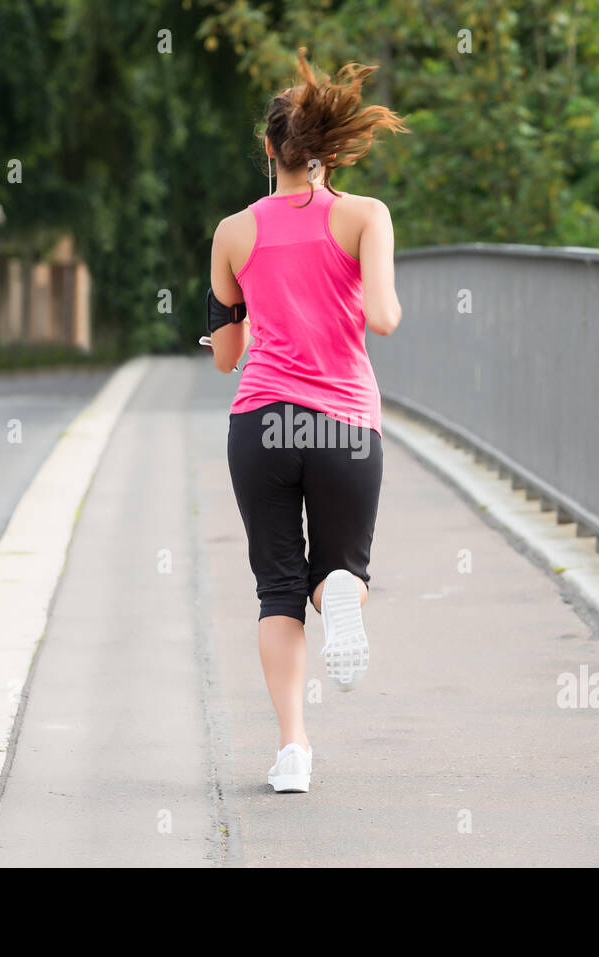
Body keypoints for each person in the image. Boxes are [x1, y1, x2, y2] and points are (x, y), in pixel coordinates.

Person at [207, 49, 408, 793]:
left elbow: (227, 354)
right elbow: (383, 316)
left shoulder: (233, 232)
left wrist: (259, 318)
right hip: (344, 423)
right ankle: (344, 590)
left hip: (261, 422)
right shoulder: (365, 216)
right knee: (335, 570)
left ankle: (293, 751)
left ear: (269, 149)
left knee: (276, 587)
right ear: (327, 150)